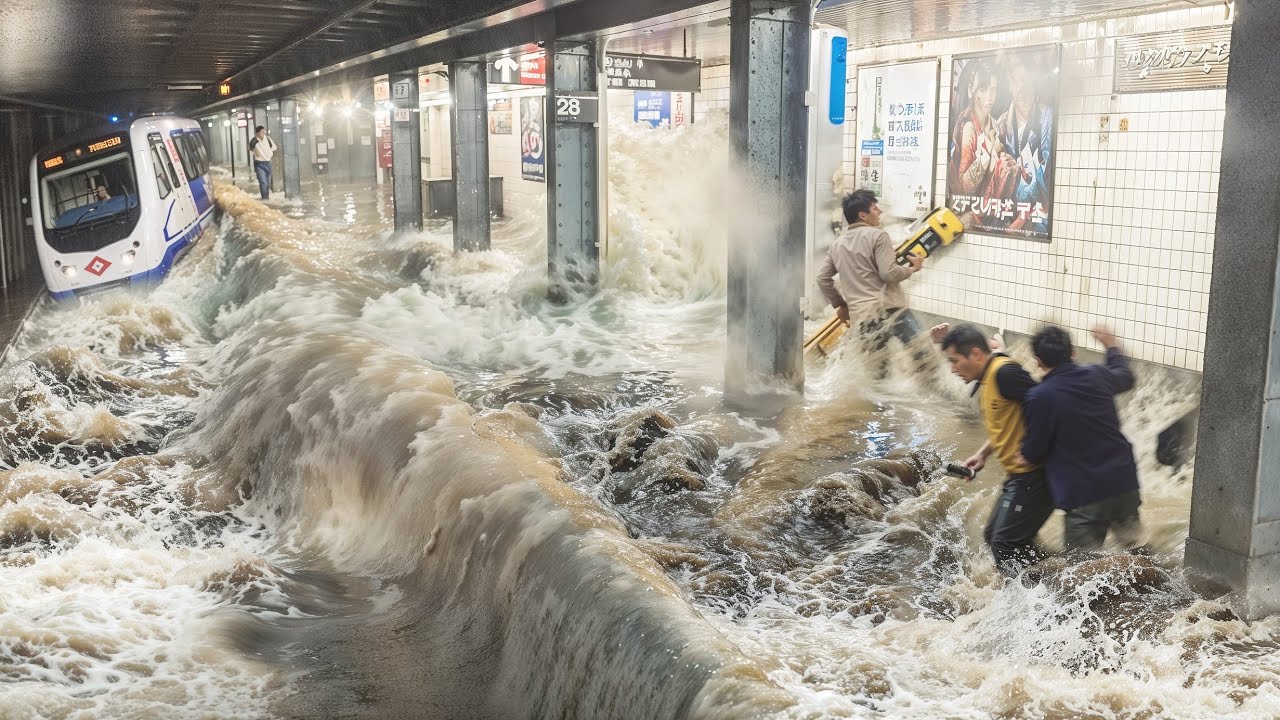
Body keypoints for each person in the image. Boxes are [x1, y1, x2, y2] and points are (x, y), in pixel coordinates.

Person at [936, 323, 1054, 574]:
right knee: (994, 535)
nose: (952, 369)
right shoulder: (988, 378)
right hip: (1019, 478)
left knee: (1005, 542)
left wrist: (1034, 450)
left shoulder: (1004, 373)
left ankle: (1027, 594)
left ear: (976, 354)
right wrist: (982, 454)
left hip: (1036, 478)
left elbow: (1047, 405)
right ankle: (1052, 576)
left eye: (954, 361)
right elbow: (1008, 422)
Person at [1018, 325, 1142, 552]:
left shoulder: (1040, 396)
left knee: (1081, 568)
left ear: (1038, 361)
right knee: (1137, 552)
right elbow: (1126, 377)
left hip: (1085, 494)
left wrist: (1023, 454)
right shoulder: (1097, 374)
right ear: (1073, 352)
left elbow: (1035, 451)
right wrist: (1111, 345)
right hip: (1123, 482)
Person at [816, 189, 926, 357]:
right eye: (874, 208)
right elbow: (889, 273)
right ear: (863, 215)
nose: (879, 212)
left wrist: (841, 305)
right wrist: (912, 269)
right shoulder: (878, 236)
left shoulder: (837, 245)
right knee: (924, 357)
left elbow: (822, 279)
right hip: (891, 310)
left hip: (862, 317)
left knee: (877, 367)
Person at [249, 125, 277, 200]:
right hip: (259, 164)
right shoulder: (254, 141)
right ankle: (265, 198)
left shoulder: (267, 138)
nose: (263, 133)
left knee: (267, 183)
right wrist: (256, 153)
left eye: (264, 131)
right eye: (262, 131)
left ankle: (266, 198)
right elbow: (250, 150)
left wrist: (269, 152)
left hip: (268, 163)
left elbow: (274, 147)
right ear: (257, 133)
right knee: (263, 182)